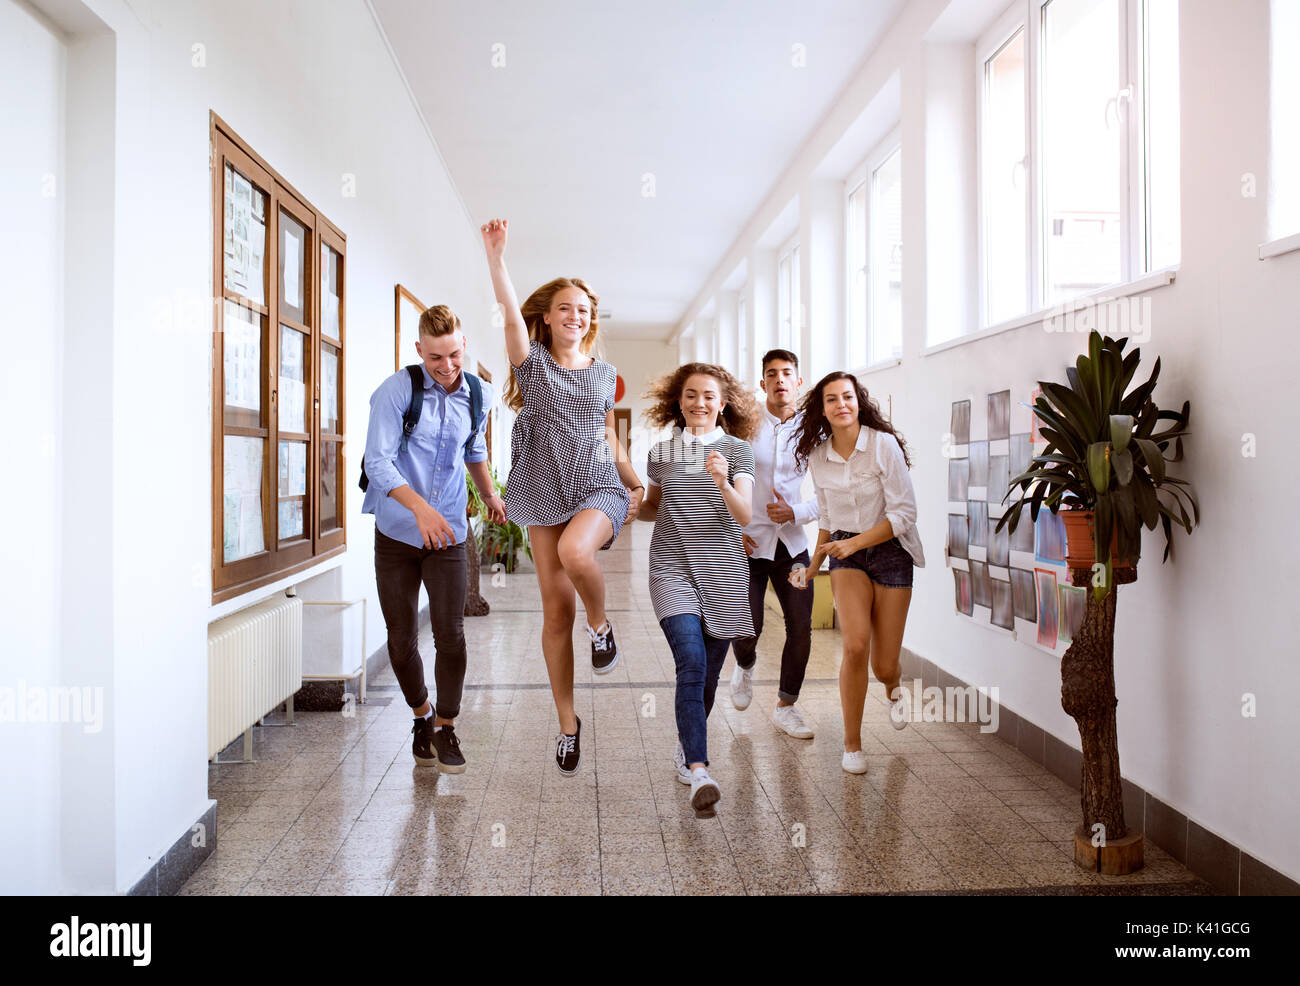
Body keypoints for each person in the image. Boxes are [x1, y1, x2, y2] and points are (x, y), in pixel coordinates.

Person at [480, 217, 644, 775]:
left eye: (584, 310)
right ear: (547, 318)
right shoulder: (532, 364)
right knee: (555, 613)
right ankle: (567, 724)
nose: (577, 316)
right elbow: (507, 315)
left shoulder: (605, 372)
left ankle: (602, 626)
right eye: (566, 308)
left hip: (595, 482)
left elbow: (606, 429)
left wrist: (631, 475)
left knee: (579, 555)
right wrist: (498, 259)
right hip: (541, 484)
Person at [362, 305, 504, 773]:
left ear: (464, 348)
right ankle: (420, 714)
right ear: (419, 349)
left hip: (447, 534)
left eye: (455, 356)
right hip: (398, 532)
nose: (447, 367)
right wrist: (419, 508)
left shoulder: (476, 393)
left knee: (451, 636)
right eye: (436, 357)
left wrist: (488, 494)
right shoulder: (396, 392)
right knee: (401, 640)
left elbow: (474, 449)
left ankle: (446, 725)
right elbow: (378, 463)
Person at [788, 372, 925, 775]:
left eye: (847, 397)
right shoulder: (818, 456)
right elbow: (828, 518)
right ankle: (853, 745)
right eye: (832, 399)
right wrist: (813, 567)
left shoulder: (882, 446)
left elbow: (905, 514)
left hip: (892, 551)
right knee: (854, 646)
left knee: (883, 664)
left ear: (858, 402)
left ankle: (893, 685)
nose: (841, 405)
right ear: (823, 409)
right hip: (846, 554)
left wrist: (854, 543)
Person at [639, 363, 757, 816]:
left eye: (709, 396)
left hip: (725, 573)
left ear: (722, 404)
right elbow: (653, 506)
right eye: (691, 395)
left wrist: (722, 480)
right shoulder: (662, 452)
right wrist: (629, 510)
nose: (699, 403)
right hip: (671, 567)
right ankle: (700, 769)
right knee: (689, 660)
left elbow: (744, 515)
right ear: (680, 401)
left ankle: (688, 742)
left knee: (706, 678)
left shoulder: (738, 450)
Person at [729, 349, 818, 739]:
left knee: (800, 626)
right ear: (762, 383)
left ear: (798, 382)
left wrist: (796, 512)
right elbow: (720, 482)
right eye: (772, 374)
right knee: (747, 626)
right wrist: (733, 529)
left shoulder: (815, 430)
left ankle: (786, 706)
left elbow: (832, 493)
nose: (780, 379)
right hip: (748, 542)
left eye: (787, 373)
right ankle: (745, 666)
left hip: (793, 547)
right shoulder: (744, 426)